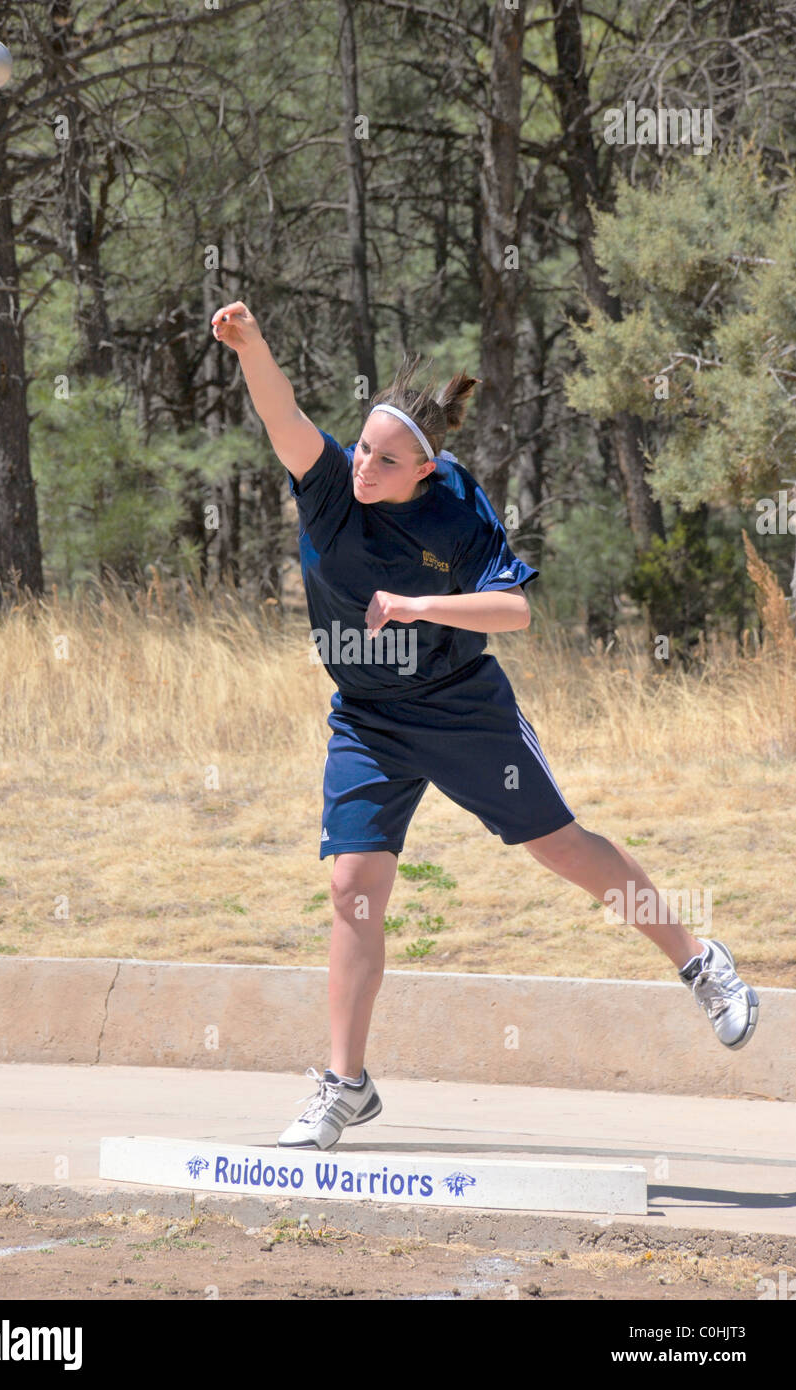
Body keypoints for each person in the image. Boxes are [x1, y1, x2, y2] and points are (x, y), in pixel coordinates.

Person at [211, 300, 760, 1152]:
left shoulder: (457, 511)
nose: (364, 466)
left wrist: (420, 605)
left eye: (385, 460)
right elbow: (279, 410)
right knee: (352, 887)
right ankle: (344, 1086)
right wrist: (251, 344)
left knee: (562, 848)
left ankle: (700, 962)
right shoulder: (326, 487)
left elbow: (513, 612)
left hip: (461, 705)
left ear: (424, 470)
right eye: (362, 447)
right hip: (367, 716)